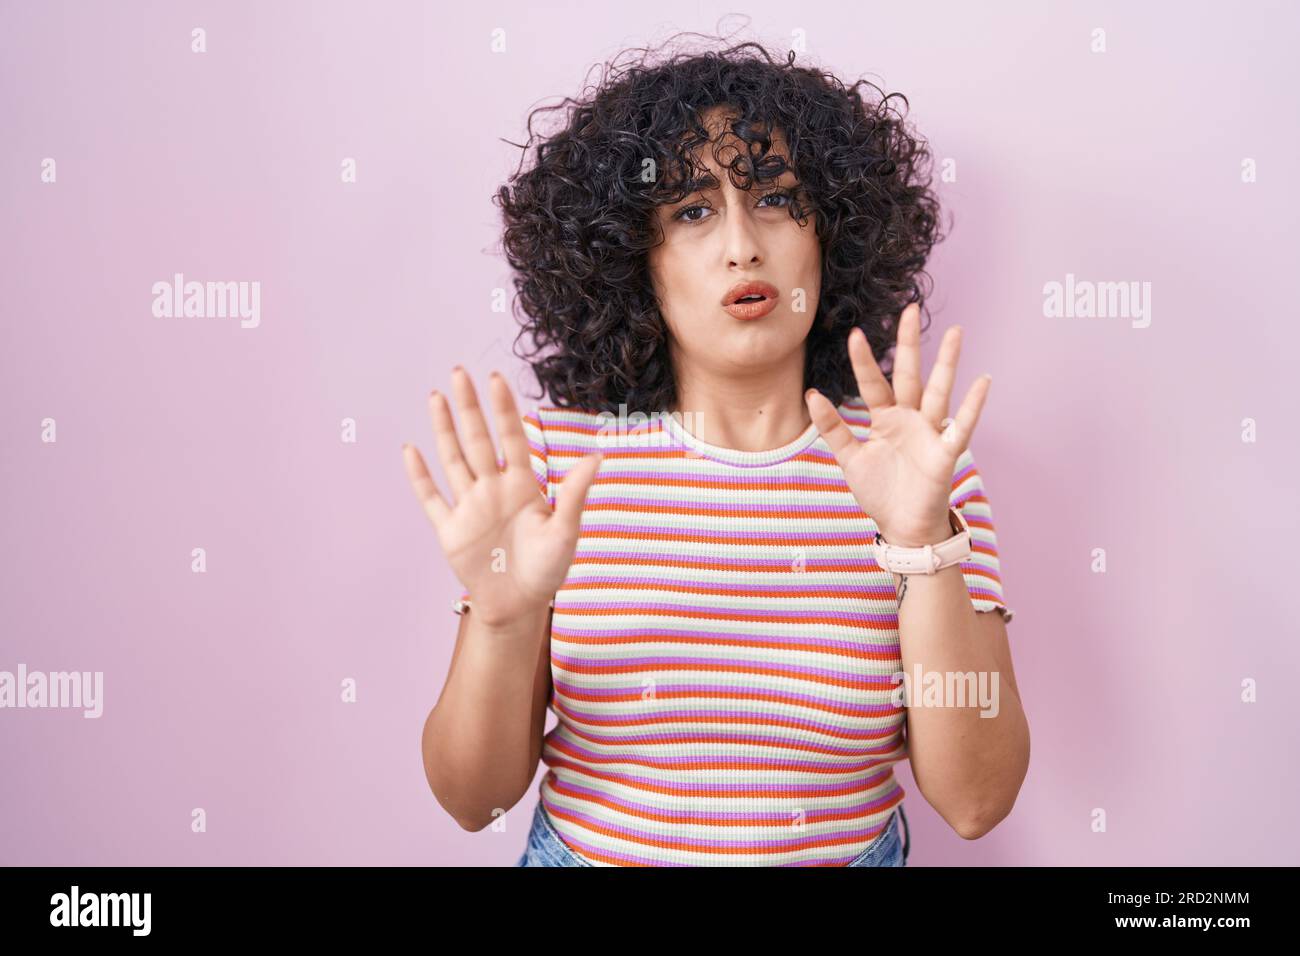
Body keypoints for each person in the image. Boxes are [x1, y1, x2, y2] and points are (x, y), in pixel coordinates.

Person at [402, 36, 1028, 867]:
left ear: (830, 235)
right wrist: (504, 615)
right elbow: (472, 800)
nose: (742, 244)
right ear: (637, 261)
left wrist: (922, 546)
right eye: (692, 211)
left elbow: (977, 802)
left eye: (774, 199)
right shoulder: (552, 467)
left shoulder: (919, 471)